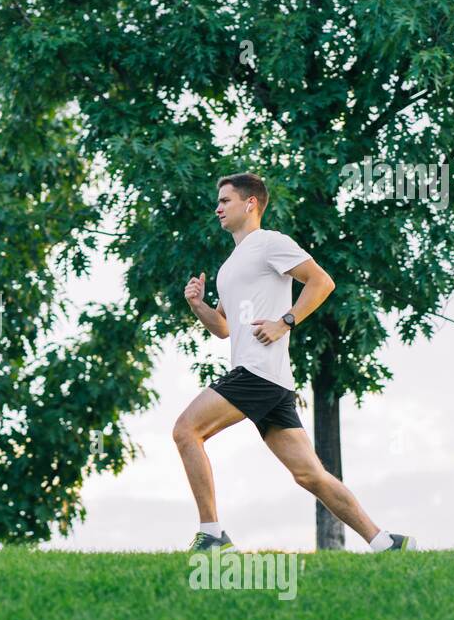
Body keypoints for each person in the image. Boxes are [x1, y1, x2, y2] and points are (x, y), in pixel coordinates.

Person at [175, 172, 415, 553]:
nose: (217, 207)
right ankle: (385, 541)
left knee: (186, 430)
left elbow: (321, 281)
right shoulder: (229, 266)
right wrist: (198, 305)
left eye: (225, 200)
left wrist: (284, 322)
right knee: (311, 475)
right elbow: (222, 328)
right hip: (271, 380)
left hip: (256, 373)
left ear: (250, 203)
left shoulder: (270, 243)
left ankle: (212, 533)